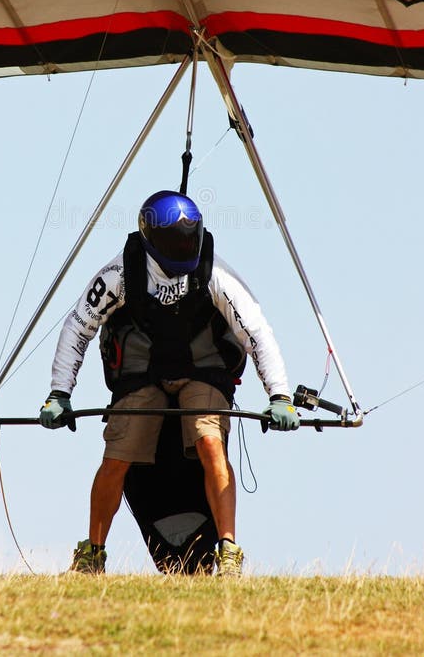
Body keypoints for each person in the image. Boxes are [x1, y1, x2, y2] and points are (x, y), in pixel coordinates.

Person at [40, 190, 298, 576]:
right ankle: (92, 553)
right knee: (116, 458)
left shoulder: (214, 274)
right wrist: (60, 393)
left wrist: (279, 395)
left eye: (188, 241)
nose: (182, 249)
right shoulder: (121, 273)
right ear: (149, 241)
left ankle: (227, 550)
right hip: (143, 373)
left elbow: (256, 332)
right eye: (173, 243)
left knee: (211, 443)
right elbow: (79, 326)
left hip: (202, 370)